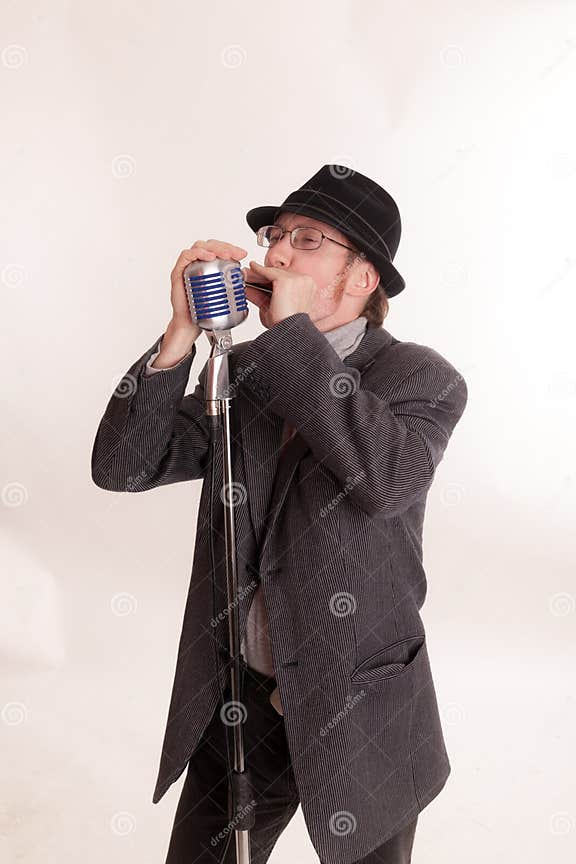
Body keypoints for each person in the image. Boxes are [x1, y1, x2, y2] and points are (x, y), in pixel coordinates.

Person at [91, 165, 468, 864]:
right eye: (275, 235)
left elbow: (382, 480)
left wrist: (292, 330)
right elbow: (123, 467)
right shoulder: (246, 371)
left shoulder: (424, 379)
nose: (278, 254)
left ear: (363, 280)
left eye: (308, 240)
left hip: (363, 708)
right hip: (239, 704)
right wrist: (179, 336)